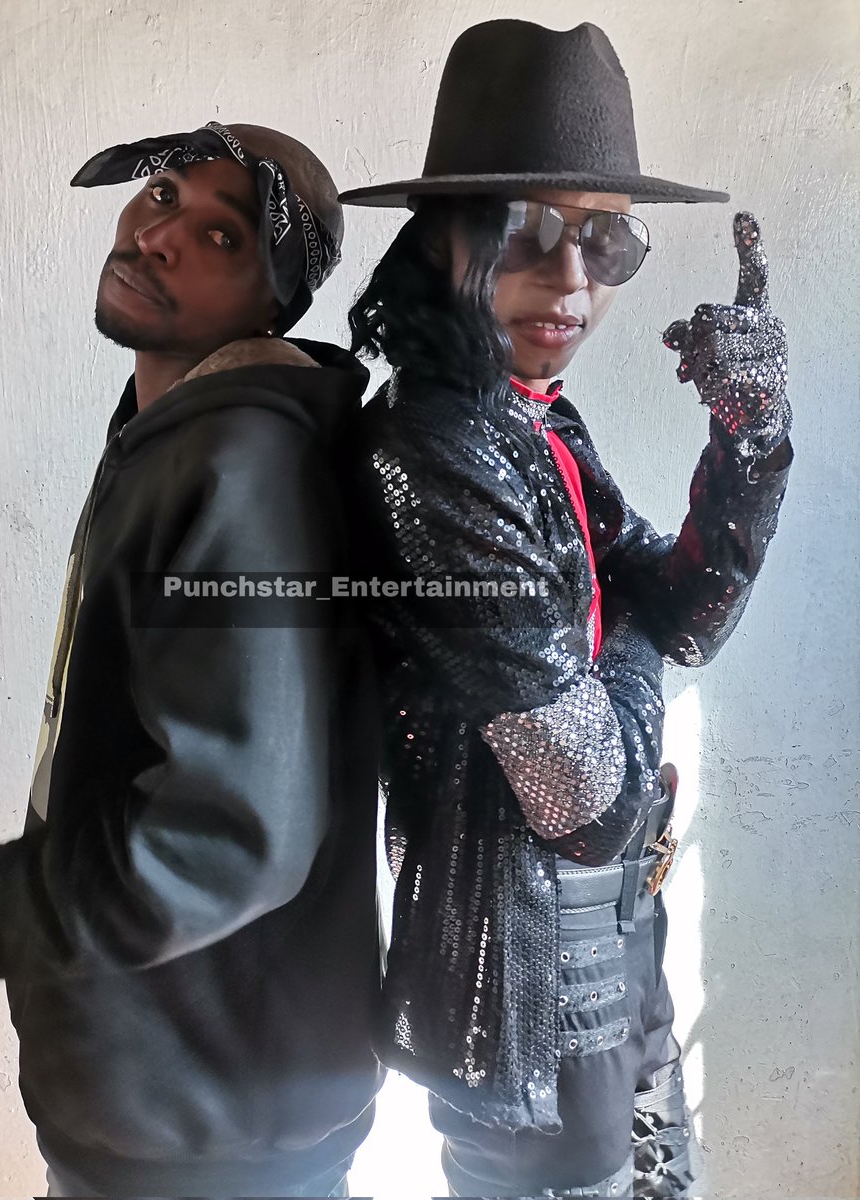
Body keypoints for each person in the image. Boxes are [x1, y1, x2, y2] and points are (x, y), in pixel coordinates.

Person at [0, 121, 384, 1198]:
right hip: (174, 1091)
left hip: (210, 1132)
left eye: (221, 235)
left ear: (273, 300)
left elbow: (223, 842)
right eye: (164, 194)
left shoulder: (242, 466)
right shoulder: (176, 432)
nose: (158, 234)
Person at [343, 21, 792, 1199]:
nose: (574, 277)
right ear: (444, 239)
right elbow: (585, 800)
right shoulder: (432, 447)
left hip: (611, 935)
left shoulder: (531, 416)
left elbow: (684, 615)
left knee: (657, 1179)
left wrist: (749, 438)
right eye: (528, 230)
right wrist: (637, 649)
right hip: (520, 985)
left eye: (607, 237)